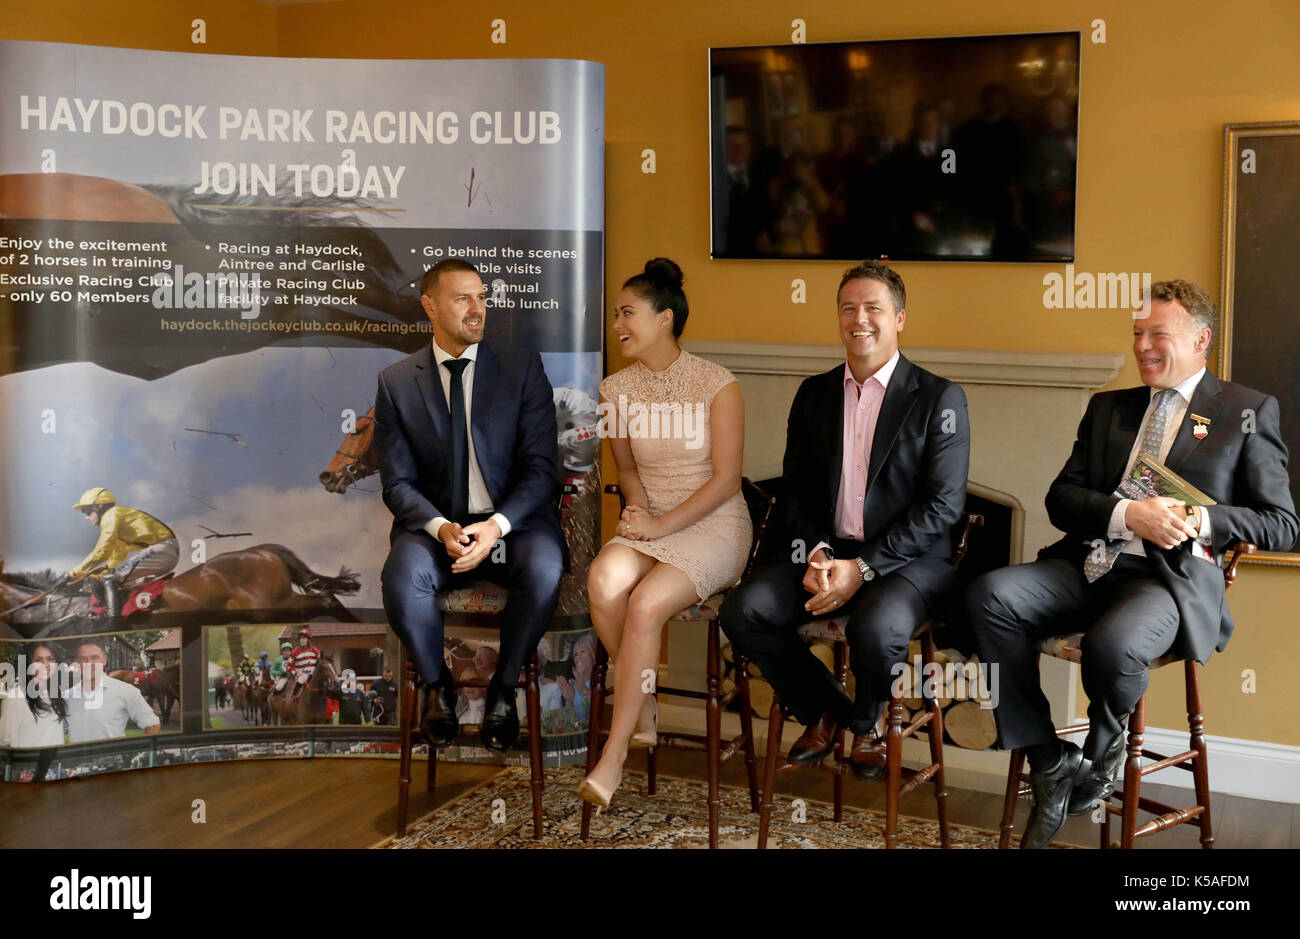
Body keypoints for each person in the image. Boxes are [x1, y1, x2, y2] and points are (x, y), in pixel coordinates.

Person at [965, 279, 1298, 848]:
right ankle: (1049, 759)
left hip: (1166, 581)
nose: (1142, 346)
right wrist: (1126, 515)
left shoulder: (1245, 410)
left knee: (1113, 647)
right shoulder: (1108, 408)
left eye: (1157, 335)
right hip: (1090, 563)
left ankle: (1105, 744)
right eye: (1136, 334)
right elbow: (1060, 499)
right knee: (987, 595)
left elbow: (1281, 522)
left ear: (1200, 340)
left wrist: (1200, 521)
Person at [720, 260, 970, 782]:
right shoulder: (813, 394)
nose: (860, 319)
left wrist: (864, 567)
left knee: (876, 630)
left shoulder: (939, 398)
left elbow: (941, 508)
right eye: (848, 307)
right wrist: (817, 555)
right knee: (745, 610)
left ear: (899, 318)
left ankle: (867, 725)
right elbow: (797, 492)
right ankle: (828, 711)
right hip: (826, 554)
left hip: (906, 563)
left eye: (874, 308)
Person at [579, 258, 750, 810]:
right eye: (615, 315)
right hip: (650, 517)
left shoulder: (718, 383)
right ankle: (642, 696)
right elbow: (627, 468)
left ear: (665, 318)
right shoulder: (614, 389)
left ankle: (614, 752)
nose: (618, 324)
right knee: (604, 582)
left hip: (715, 523)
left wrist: (658, 526)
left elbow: (726, 480)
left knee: (647, 603)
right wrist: (636, 509)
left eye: (628, 313)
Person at [376, 258, 566, 752]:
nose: (477, 309)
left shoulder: (521, 368)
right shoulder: (397, 382)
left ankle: (504, 689)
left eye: (482, 297)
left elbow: (542, 469)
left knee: (545, 567)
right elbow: (398, 484)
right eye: (463, 298)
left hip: (514, 527)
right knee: (402, 577)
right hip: (437, 530)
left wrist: (497, 527)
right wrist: (440, 528)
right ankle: (438, 688)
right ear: (430, 307)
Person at [67, 487, 178, 619]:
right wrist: (101, 572)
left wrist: (75, 572)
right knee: (107, 577)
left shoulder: (111, 515)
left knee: (108, 579)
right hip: (162, 550)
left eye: (87, 512)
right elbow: (117, 556)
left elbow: (102, 550)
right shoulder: (117, 521)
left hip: (162, 549)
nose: (86, 517)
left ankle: (113, 622)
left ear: (99, 506)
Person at [65, 638, 160, 742]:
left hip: (112, 757)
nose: (89, 663)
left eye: (95, 657)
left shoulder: (126, 691)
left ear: (105, 660)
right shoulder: (67, 696)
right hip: (76, 758)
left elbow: (153, 725)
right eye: (83, 658)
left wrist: (137, 753)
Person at [0, 644, 67, 750]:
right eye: (38, 660)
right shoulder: (15, 698)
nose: (45, 664)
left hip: (56, 764)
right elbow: (4, 741)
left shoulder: (58, 692)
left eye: (50, 659)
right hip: (28, 764)